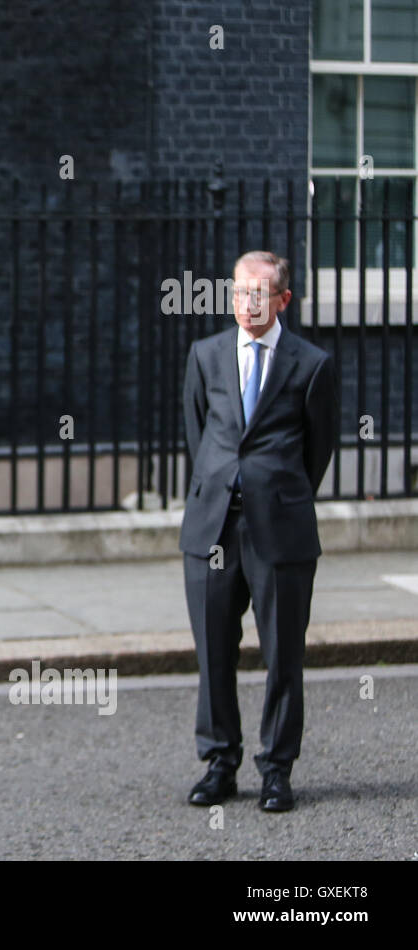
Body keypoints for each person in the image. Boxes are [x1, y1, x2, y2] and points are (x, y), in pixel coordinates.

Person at [179, 250, 338, 813]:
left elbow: (318, 450)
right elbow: (199, 438)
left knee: (283, 656)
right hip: (213, 528)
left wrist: (276, 491)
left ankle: (277, 769)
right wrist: (223, 487)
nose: (248, 304)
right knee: (214, 652)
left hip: (281, 530)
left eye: (259, 294)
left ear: (283, 300)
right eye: (239, 292)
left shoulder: (312, 364)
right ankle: (220, 763)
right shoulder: (205, 356)